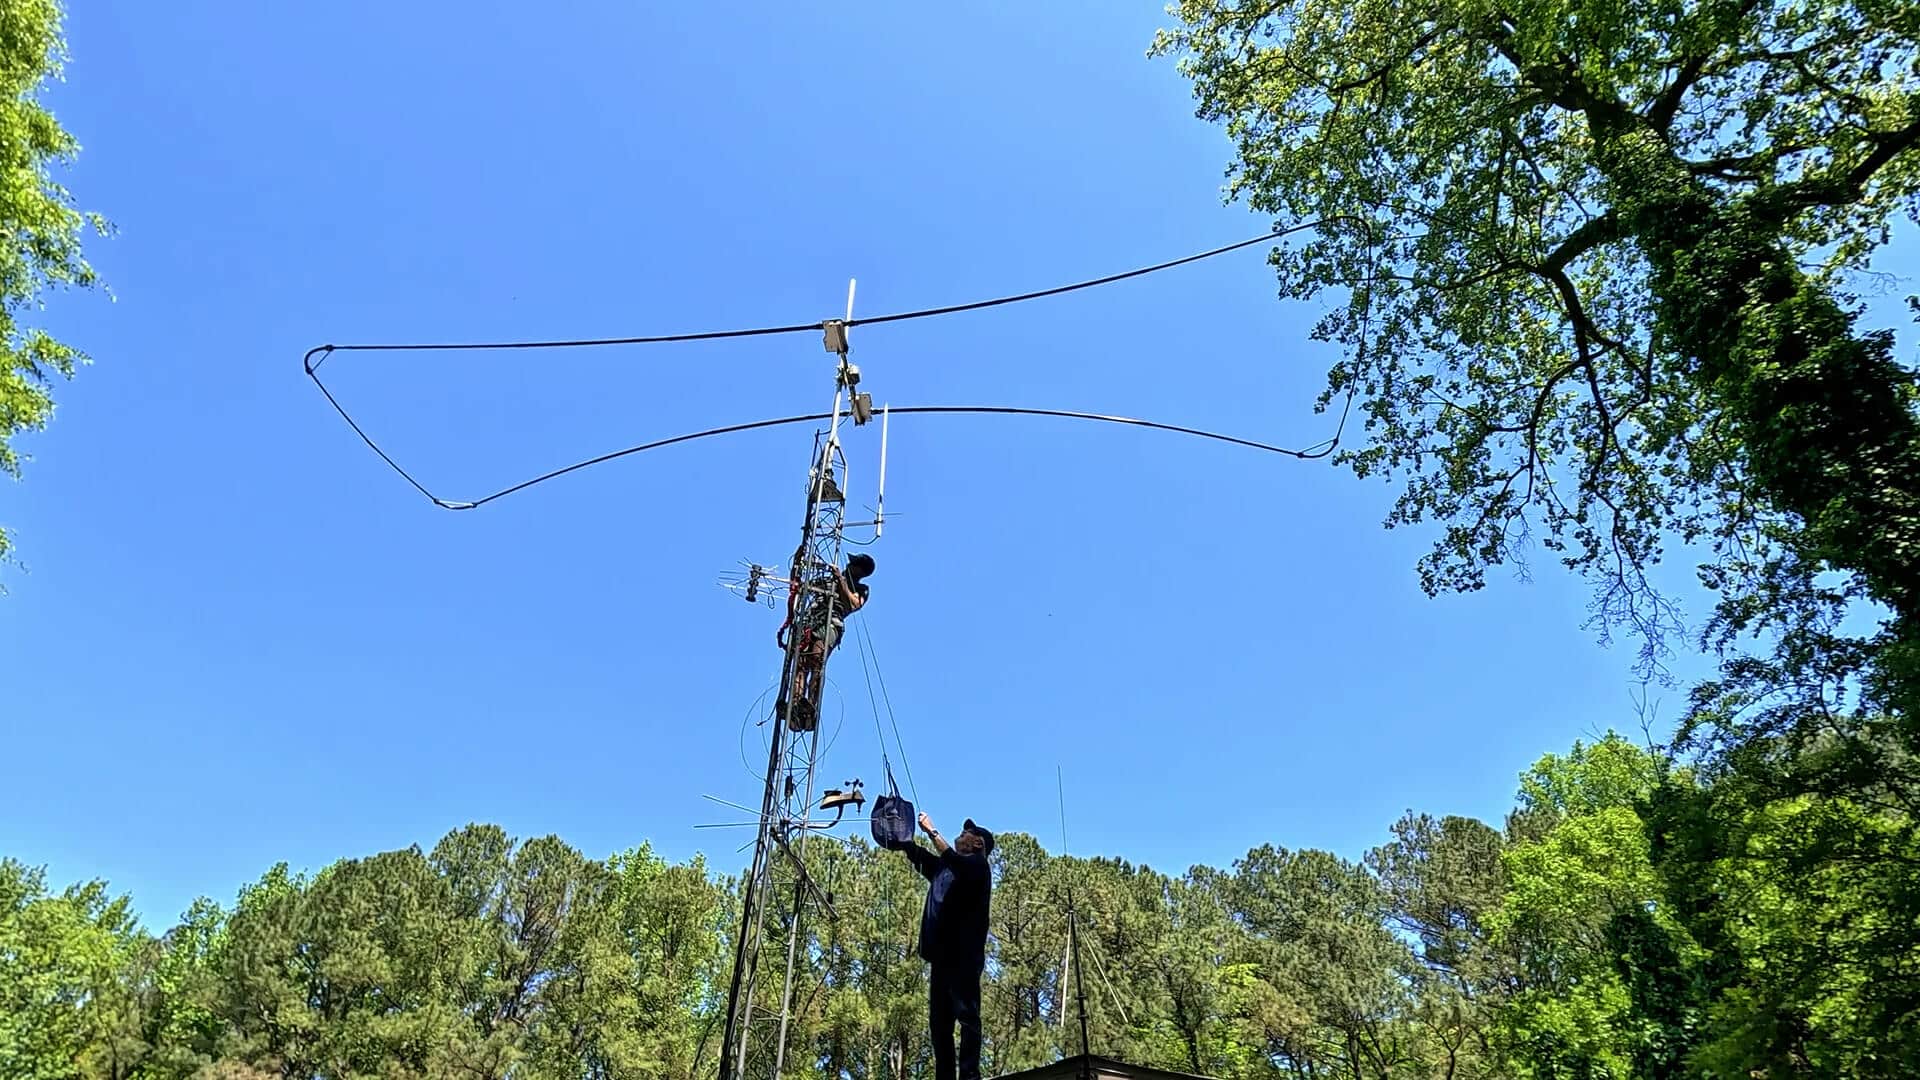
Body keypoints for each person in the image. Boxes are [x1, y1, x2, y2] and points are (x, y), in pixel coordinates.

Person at [896, 812, 993, 1080]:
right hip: (941, 959)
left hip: (964, 960)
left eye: (967, 834)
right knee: (940, 1026)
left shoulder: (977, 868)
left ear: (977, 845)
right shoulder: (945, 869)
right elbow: (924, 859)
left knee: (967, 1017)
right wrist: (902, 839)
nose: (961, 834)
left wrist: (931, 832)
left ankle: (970, 1076)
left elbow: (952, 861)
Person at [779, 553, 873, 731]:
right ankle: (796, 704)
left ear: (861, 571)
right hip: (810, 621)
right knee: (800, 663)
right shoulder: (828, 581)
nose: (848, 566)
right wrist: (798, 563)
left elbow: (853, 604)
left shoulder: (861, 588)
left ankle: (811, 708)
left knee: (816, 659)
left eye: (853, 565)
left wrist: (841, 581)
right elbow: (798, 586)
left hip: (831, 622)